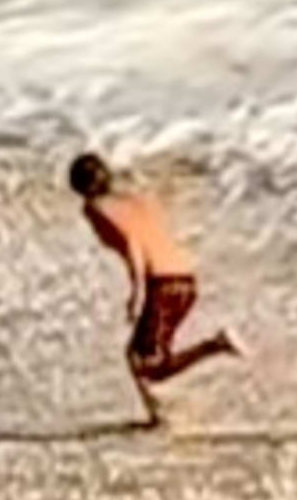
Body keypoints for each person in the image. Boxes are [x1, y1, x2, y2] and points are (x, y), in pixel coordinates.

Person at [69, 152, 239, 421]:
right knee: (136, 354)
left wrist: (137, 294)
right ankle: (157, 414)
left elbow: (132, 245)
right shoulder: (133, 200)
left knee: (147, 364)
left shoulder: (96, 208)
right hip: (185, 280)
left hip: (164, 284)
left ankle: (216, 344)